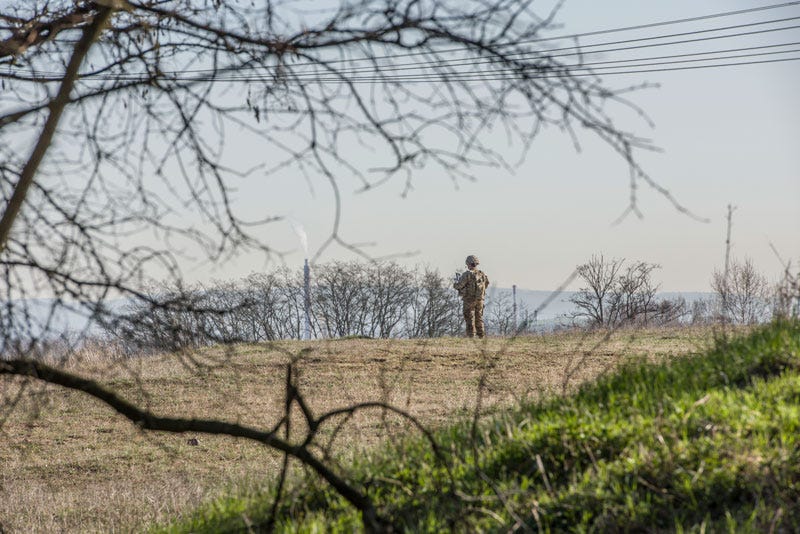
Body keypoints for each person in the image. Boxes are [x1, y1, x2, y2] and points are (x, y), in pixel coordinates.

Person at [453, 255, 490, 338]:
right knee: (479, 317)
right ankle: (481, 335)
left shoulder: (467, 274)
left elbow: (459, 285)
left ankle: (471, 336)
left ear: (468, 264)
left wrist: (455, 284)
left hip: (469, 300)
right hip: (480, 300)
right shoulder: (482, 274)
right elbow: (486, 284)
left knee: (469, 317)